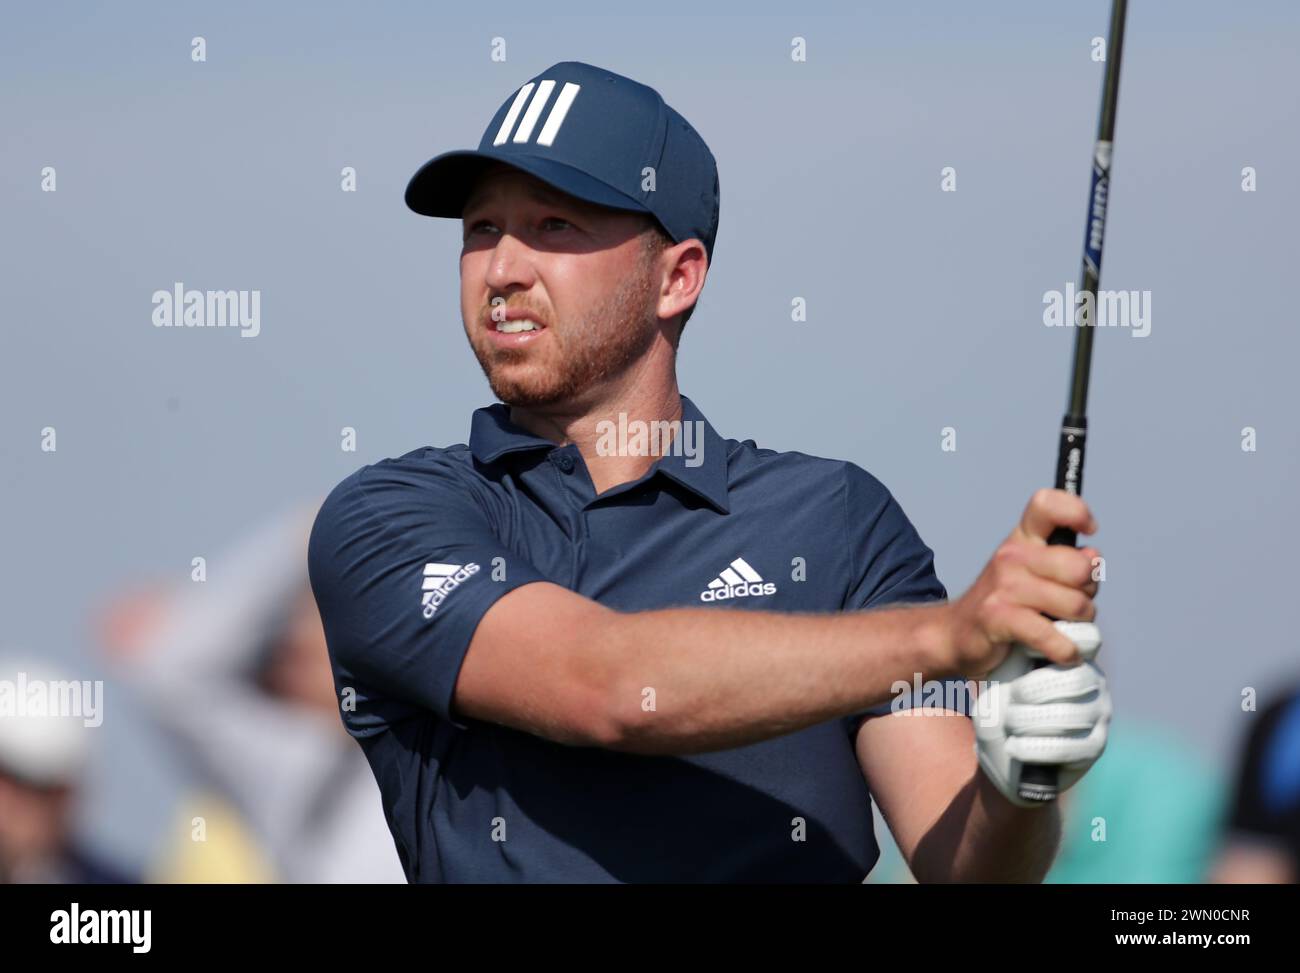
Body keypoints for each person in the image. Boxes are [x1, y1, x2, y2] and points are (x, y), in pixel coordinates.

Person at [307, 61, 1112, 883]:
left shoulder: (836, 517)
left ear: (677, 277)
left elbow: (965, 870)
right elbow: (606, 685)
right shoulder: (389, 518)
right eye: (482, 229)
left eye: (553, 225)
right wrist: (952, 638)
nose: (502, 269)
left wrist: (1019, 788)